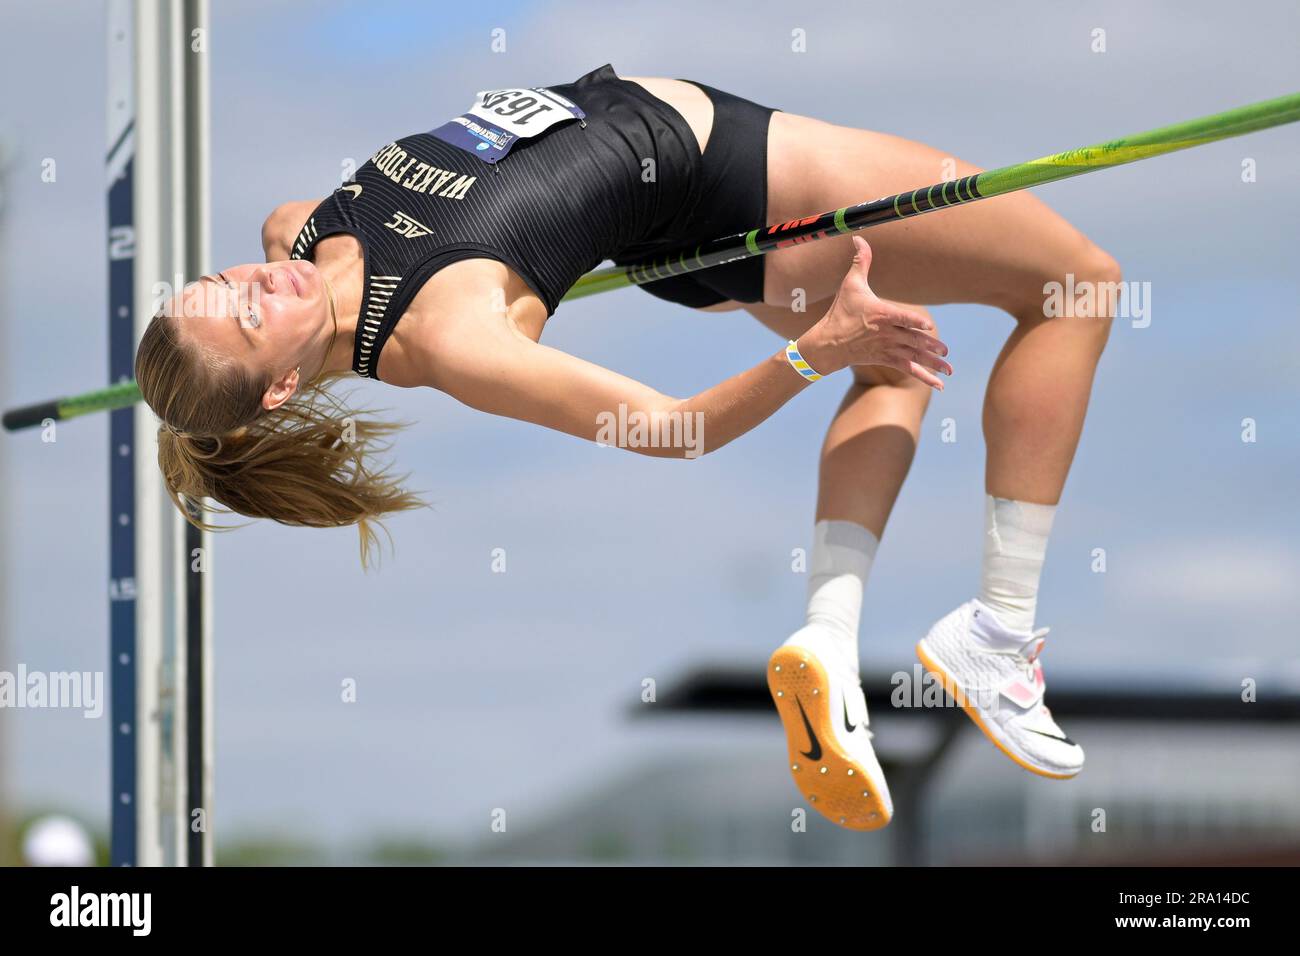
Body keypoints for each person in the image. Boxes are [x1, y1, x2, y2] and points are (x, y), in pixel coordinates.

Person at [135, 63, 1118, 831]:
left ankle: (828, 627)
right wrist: (815, 350)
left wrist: (279, 328)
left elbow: (287, 276)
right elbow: (672, 428)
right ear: (277, 385)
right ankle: (995, 629)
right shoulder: (450, 334)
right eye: (246, 320)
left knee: (894, 367)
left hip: (671, 223)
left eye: (226, 284)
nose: (255, 288)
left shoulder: (296, 234)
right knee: (1075, 283)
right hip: (734, 182)